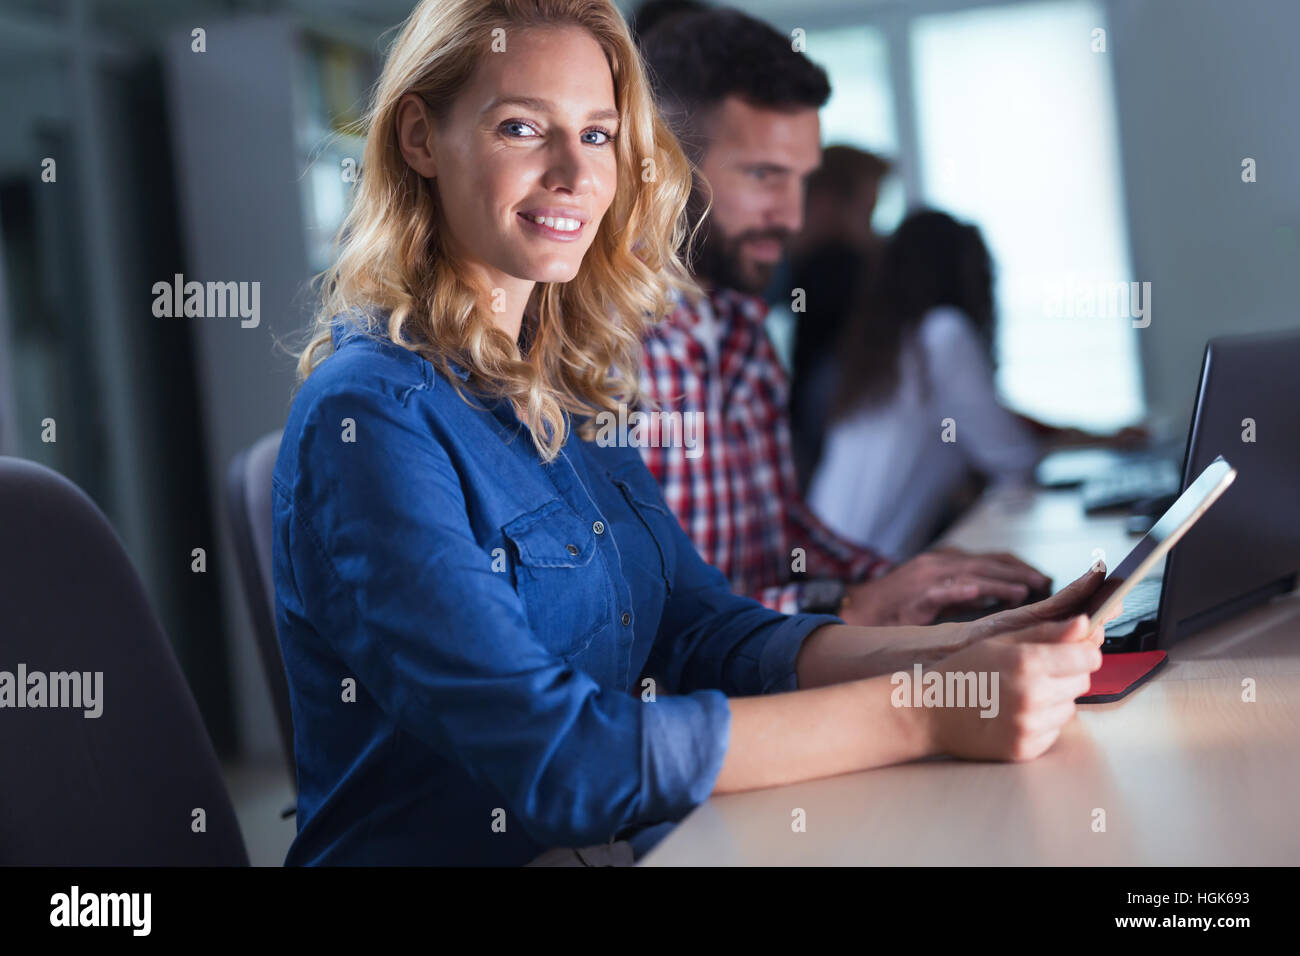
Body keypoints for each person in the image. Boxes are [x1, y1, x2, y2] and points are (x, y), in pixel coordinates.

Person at [273, 0, 1109, 868]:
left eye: (597, 136)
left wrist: (963, 648)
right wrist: (924, 706)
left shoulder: (564, 384)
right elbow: (562, 757)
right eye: (523, 127)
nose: (574, 173)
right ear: (418, 138)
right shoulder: (370, 417)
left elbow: (705, 630)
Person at [636, 7, 1053, 626]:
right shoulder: (608, 355)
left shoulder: (741, 329)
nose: (793, 215)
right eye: (764, 176)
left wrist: (910, 578)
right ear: (662, 165)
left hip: (789, 672)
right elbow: (650, 632)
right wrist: (858, 606)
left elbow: (782, 536)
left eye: (801, 180)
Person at [808, 210, 1043, 561]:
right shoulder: (943, 333)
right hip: (862, 575)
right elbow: (1013, 460)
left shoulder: (886, 345)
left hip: (827, 562)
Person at [788, 145, 892, 488]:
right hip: (819, 433)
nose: (870, 222)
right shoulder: (837, 263)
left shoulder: (819, 263)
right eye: (865, 208)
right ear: (826, 200)